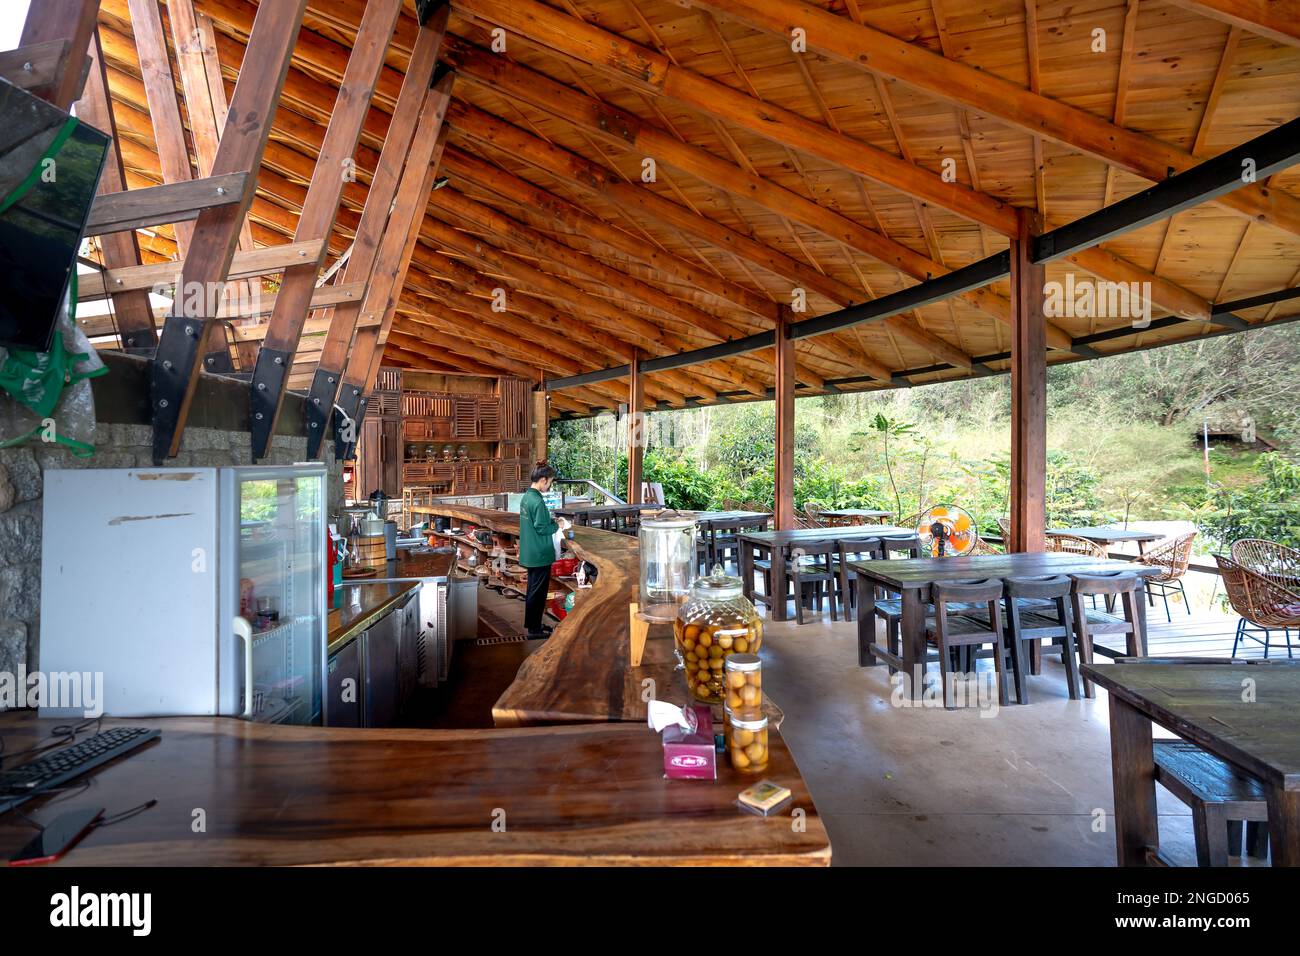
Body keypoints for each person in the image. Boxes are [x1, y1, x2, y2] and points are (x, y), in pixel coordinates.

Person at [517, 460, 570, 640]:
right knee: (538, 593)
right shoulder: (538, 501)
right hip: (539, 553)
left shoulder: (527, 497)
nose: (550, 485)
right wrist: (558, 525)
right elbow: (541, 528)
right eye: (550, 482)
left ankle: (534, 625)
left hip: (530, 551)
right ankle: (534, 630)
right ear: (543, 480)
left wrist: (550, 521)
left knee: (533, 590)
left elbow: (535, 523)